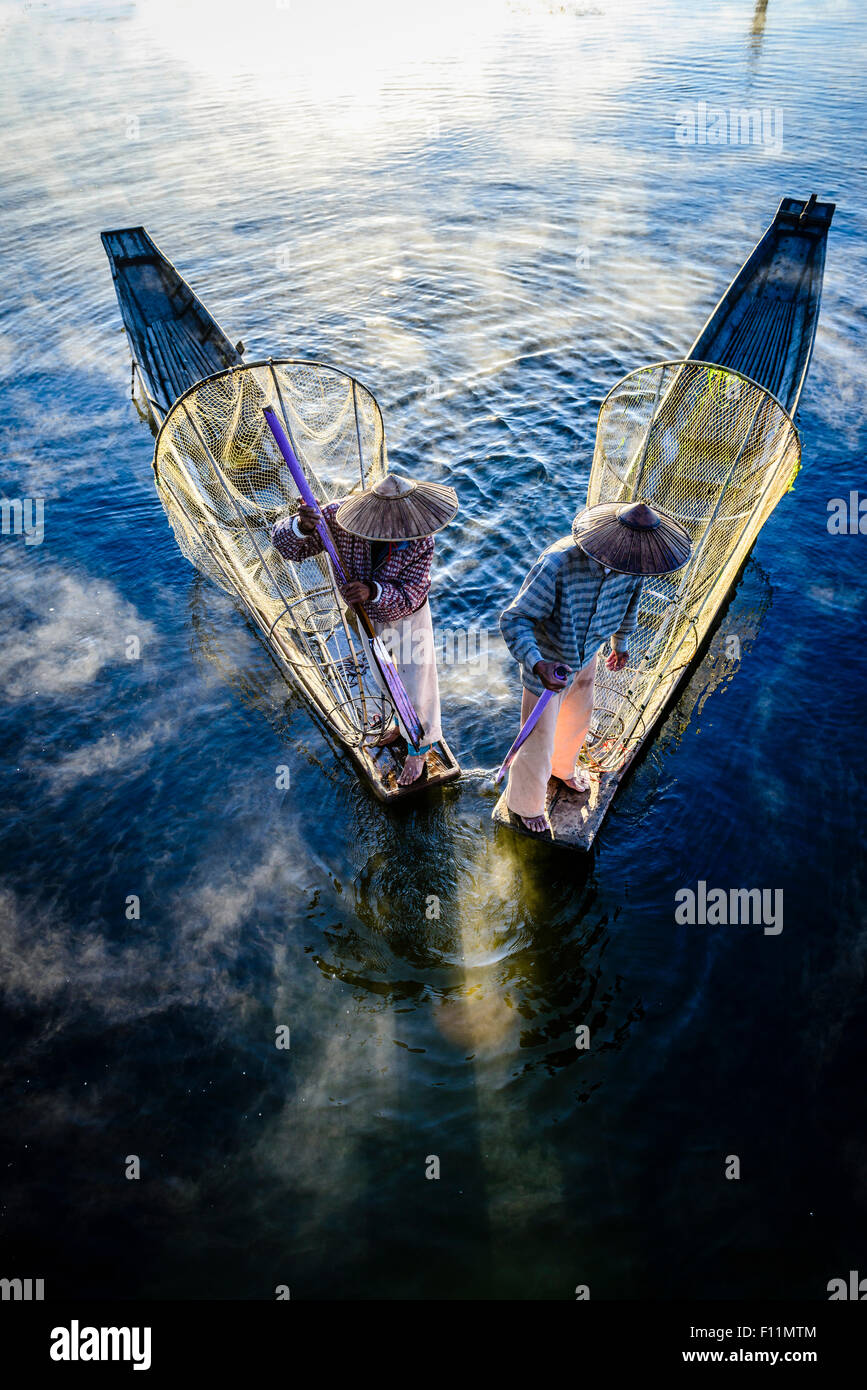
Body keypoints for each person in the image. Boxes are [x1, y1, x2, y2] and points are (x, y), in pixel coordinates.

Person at [499, 500, 691, 834]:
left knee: (577, 720)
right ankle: (525, 805)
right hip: (548, 669)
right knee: (537, 738)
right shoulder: (558, 563)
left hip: (588, 656)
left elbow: (631, 603)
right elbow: (515, 620)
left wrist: (620, 644)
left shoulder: (634, 565)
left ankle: (563, 768)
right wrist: (538, 662)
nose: (633, 565)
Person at [272, 474, 458, 786]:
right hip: (365, 615)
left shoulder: (421, 540)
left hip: (408, 613)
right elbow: (286, 546)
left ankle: (420, 748)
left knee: (418, 684)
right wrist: (302, 526)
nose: (393, 531)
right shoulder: (339, 517)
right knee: (385, 677)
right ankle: (402, 724)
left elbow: (411, 593)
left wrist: (373, 591)